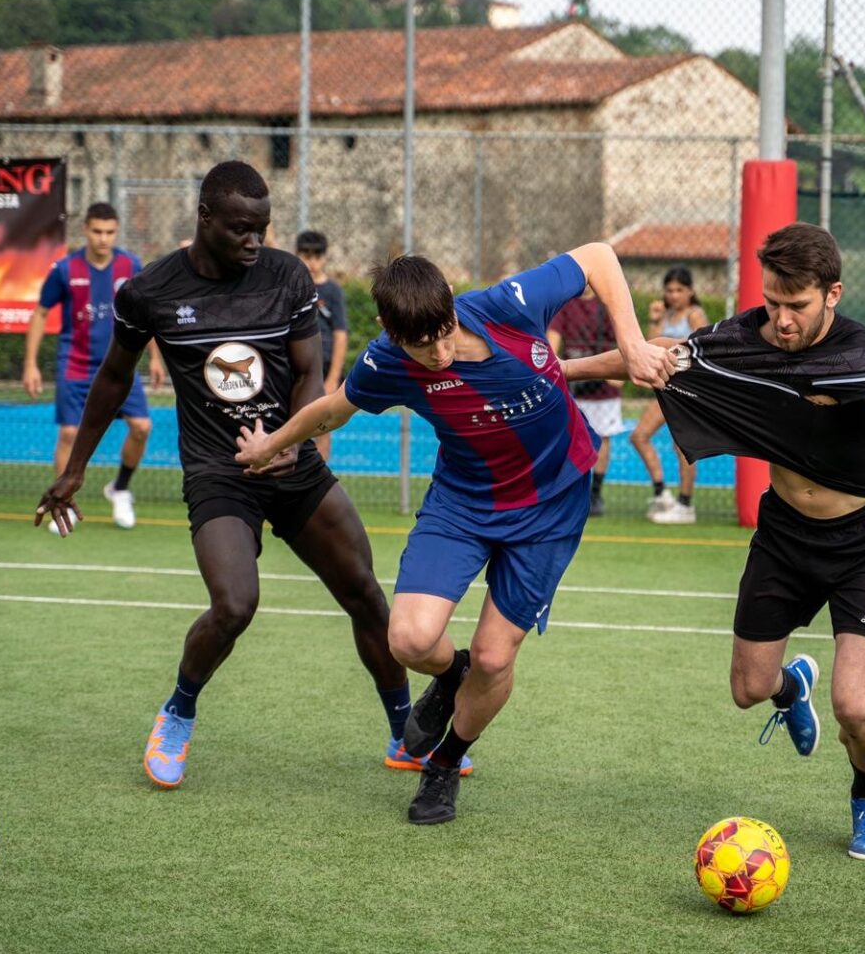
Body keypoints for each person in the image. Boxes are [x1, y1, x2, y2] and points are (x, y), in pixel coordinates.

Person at [34, 161, 441, 790]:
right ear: (204, 219)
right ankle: (178, 712)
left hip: (290, 462)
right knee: (234, 605)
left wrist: (292, 440)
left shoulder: (285, 276)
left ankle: (403, 734)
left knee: (365, 593)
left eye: (263, 228)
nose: (255, 242)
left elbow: (309, 371)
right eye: (241, 229)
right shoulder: (151, 292)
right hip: (217, 471)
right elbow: (114, 379)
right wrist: (76, 468)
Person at [234, 243, 673, 825]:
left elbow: (599, 257)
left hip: (551, 506)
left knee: (497, 657)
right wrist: (271, 444)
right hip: (464, 503)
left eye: (445, 334)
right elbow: (334, 409)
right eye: (422, 345)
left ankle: (445, 763)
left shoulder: (509, 305)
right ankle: (450, 674)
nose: (439, 353)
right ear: (392, 332)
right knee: (410, 640)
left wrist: (636, 344)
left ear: (451, 307)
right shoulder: (387, 361)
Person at [565, 223, 865, 860]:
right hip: (783, 539)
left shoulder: (859, 353)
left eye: (797, 305)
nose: (783, 318)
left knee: (855, 706)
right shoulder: (740, 339)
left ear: (833, 294)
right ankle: (791, 688)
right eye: (773, 301)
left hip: (864, 544)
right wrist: (555, 369)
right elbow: (650, 355)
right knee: (747, 690)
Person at [23, 202, 164, 532]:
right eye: (97, 231)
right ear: (85, 230)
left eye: (110, 232)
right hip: (76, 364)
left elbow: (147, 314)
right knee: (70, 432)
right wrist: (30, 363)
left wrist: (156, 357)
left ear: (116, 232)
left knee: (142, 427)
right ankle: (63, 502)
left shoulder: (131, 265)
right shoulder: (64, 269)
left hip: (121, 365)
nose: (103, 238)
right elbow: (41, 313)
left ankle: (121, 489)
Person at [634, 266, 707, 524]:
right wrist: (654, 319)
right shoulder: (664, 316)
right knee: (639, 436)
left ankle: (685, 505)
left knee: (681, 446)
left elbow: (704, 348)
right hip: (665, 389)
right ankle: (661, 492)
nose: (674, 295)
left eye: (679, 290)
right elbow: (648, 348)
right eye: (669, 290)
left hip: (688, 391)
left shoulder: (695, 315)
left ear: (690, 291)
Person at [548, 283, 625, 516]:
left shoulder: (609, 306)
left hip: (604, 385)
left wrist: (619, 371)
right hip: (573, 384)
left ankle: (595, 493)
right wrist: (555, 370)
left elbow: (624, 341)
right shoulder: (564, 307)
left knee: (603, 438)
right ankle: (566, 491)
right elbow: (551, 345)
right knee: (566, 440)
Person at [296, 230, 349, 460]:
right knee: (293, 421)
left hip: (324, 366)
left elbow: (340, 334)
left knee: (322, 425)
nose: (311, 262)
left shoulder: (332, 291)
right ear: (297, 255)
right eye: (306, 256)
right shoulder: (292, 286)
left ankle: (319, 474)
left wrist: (333, 377)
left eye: (316, 256)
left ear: (324, 258)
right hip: (297, 365)